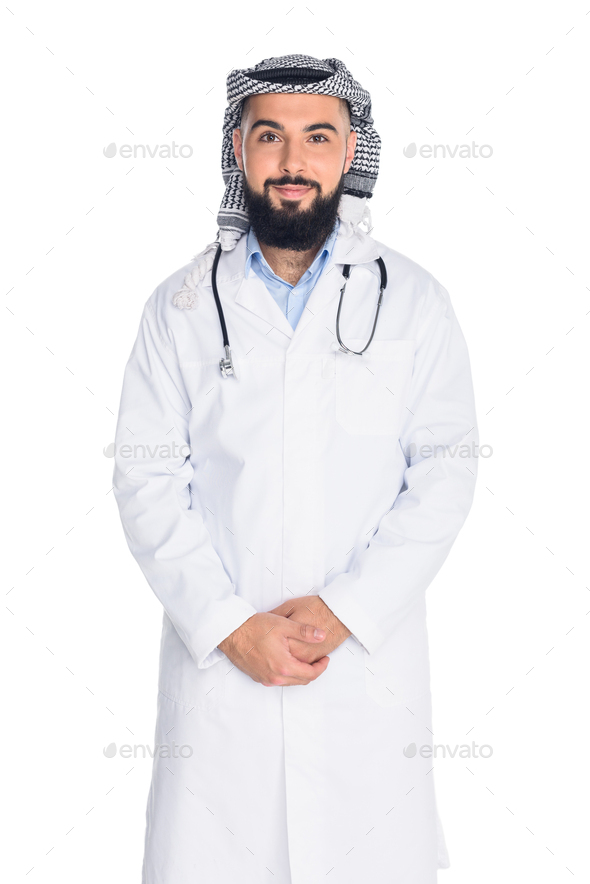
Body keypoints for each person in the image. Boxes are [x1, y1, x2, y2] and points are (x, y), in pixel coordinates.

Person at [112, 53, 478, 884]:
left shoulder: (412, 301)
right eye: (269, 135)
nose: (292, 161)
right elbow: (145, 481)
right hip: (221, 685)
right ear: (238, 150)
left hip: (363, 681)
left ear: (351, 154)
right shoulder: (179, 308)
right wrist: (230, 626)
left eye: (319, 136)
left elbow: (445, 475)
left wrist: (347, 610)